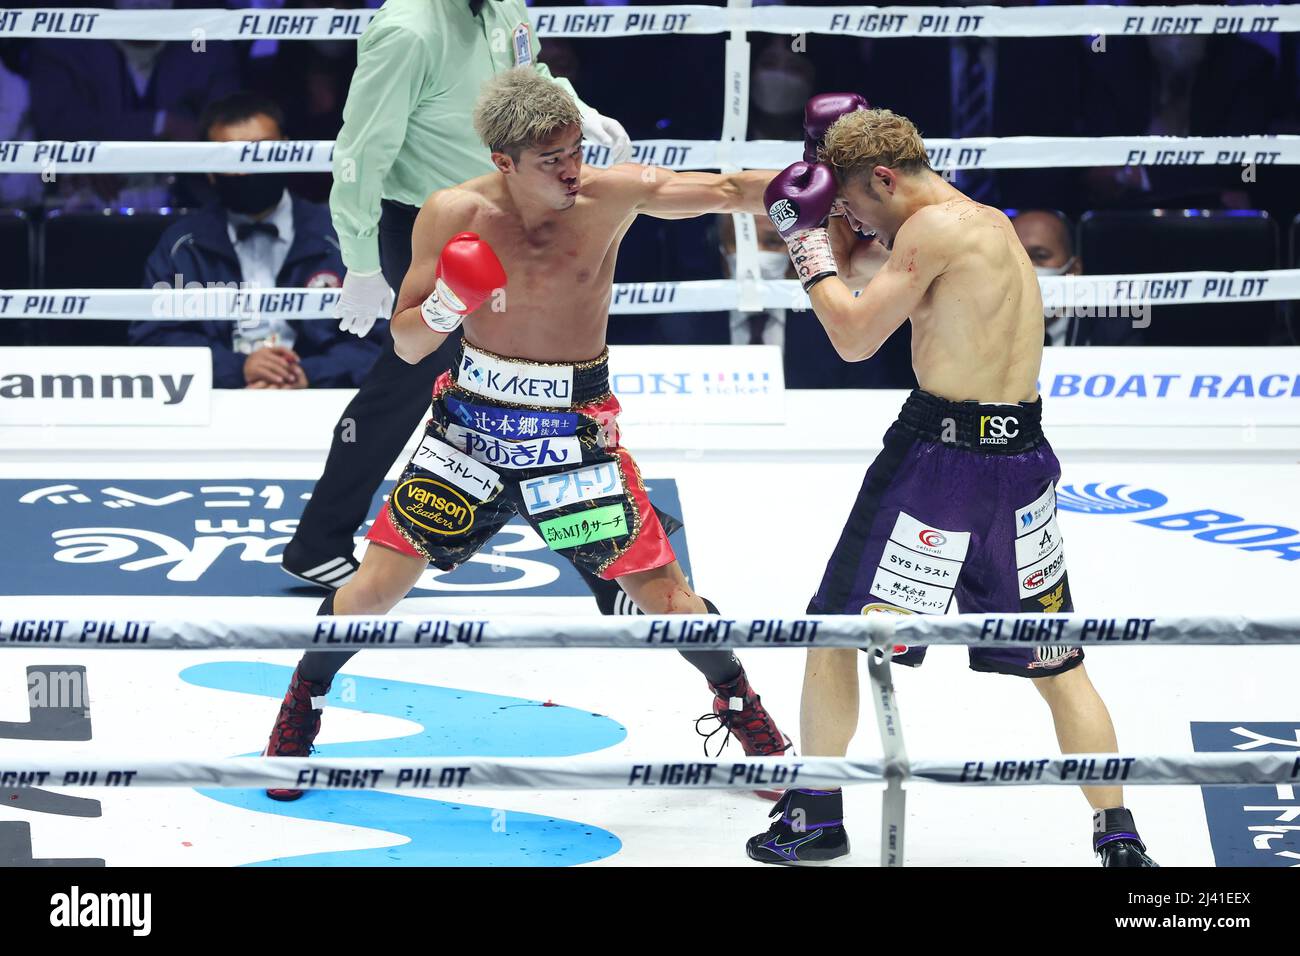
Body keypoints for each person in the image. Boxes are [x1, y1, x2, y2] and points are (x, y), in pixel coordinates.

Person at [261, 68, 791, 800]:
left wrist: (825, 177)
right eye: (551, 161)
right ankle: (302, 709)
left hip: (573, 435)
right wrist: (449, 305)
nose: (572, 170)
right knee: (374, 590)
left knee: (665, 597)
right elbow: (410, 345)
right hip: (471, 426)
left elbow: (732, 191)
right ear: (503, 162)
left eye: (575, 149)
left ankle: (742, 708)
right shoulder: (454, 212)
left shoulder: (612, 196)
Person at [744, 97, 1157, 867]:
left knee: (833, 634)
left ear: (885, 177)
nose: (858, 225)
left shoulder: (928, 230)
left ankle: (814, 814)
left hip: (938, 463)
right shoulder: (984, 222)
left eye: (859, 206)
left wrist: (803, 242)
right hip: (1024, 462)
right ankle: (1120, 835)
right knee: (1057, 659)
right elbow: (882, 272)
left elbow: (853, 336)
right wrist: (838, 226)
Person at [281, 0, 632, 593]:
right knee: (468, 373)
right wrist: (361, 264)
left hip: (500, 216)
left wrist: (576, 107)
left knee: (439, 377)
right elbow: (360, 153)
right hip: (427, 225)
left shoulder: (502, 4)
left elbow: (526, 73)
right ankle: (609, 574)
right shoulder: (408, 31)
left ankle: (319, 540)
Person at [129, 92, 382, 388]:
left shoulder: (344, 234)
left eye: (262, 153)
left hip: (323, 400)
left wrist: (308, 373)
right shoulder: (182, 246)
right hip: (216, 400)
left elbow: (380, 340)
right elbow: (153, 339)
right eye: (232, 157)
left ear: (288, 152)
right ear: (209, 168)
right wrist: (237, 368)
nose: (248, 169)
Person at [1012, 209, 1144, 347]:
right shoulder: (988, 326)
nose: (1024, 266)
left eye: (1040, 256)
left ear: (1074, 269)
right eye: (1013, 256)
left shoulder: (1111, 329)